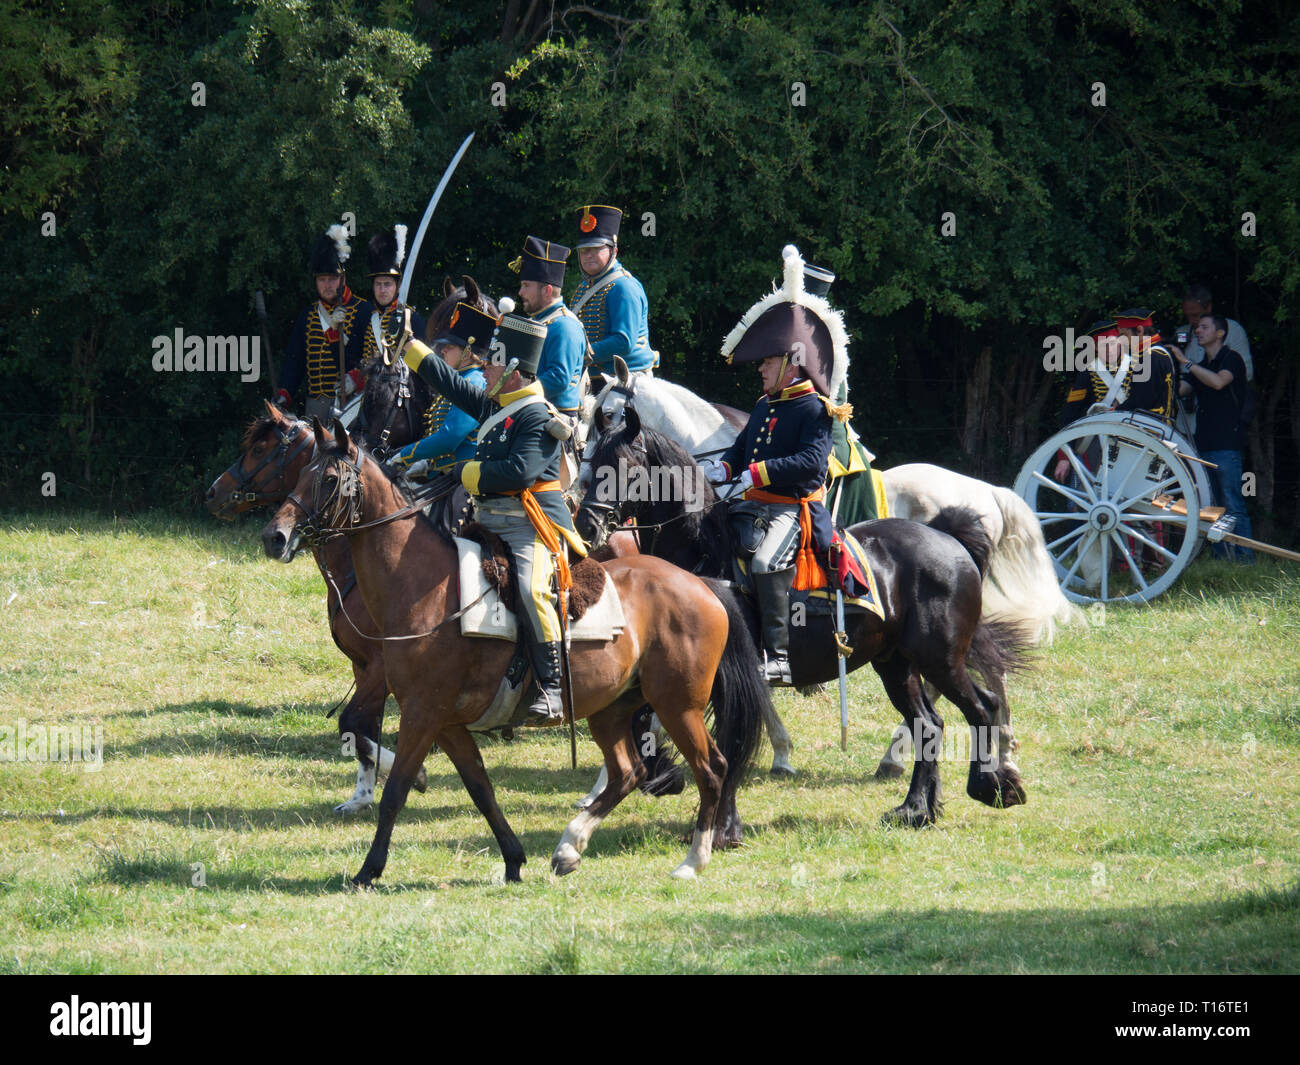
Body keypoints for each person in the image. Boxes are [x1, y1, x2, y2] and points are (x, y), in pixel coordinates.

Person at [401, 311, 587, 720]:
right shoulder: (496, 406)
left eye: (493, 364)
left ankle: (552, 688)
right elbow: (448, 381)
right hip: (487, 518)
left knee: (531, 589)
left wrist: (467, 472)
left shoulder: (539, 416)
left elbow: (519, 472)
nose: (484, 370)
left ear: (514, 373)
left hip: (530, 523)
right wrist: (409, 345)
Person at [704, 249, 850, 684]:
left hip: (791, 507)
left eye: (767, 361)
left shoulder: (815, 408)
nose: (761, 369)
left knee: (767, 564)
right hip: (753, 501)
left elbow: (810, 463)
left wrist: (758, 473)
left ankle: (780, 655)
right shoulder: (765, 404)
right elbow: (741, 448)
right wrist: (725, 470)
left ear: (790, 362)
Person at [1175, 315, 1254, 562]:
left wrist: (1185, 362)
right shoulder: (1201, 364)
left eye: (1204, 327)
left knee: (1232, 502)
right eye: (1197, 327)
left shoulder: (1231, 359)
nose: (1197, 330)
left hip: (1226, 443)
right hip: (1204, 442)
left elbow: (1219, 382)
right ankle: (1221, 557)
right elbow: (1179, 390)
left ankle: (1244, 559)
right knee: (1212, 505)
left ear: (1220, 334)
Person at [386, 301, 494, 475]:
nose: (443, 350)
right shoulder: (459, 379)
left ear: (466, 353)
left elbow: (450, 437)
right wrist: (428, 461)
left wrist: (404, 455)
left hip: (465, 474)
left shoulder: (474, 382)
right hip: (445, 473)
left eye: (450, 347)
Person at [277, 223, 369, 422]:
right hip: (315, 405)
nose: (327, 285)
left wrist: (358, 377)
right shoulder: (308, 316)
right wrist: (284, 394)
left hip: (351, 401)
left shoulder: (363, 311)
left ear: (343, 278)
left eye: (332, 279)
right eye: (322, 279)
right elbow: (295, 361)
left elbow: (373, 357)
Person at [570, 205, 658, 383]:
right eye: (584, 250)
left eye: (596, 249)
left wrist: (578, 354)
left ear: (613, 251)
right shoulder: (583, 288)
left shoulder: (623, 287)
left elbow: (622, 342)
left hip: (624, 380)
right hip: (592, 379)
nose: (589, 255)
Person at [510, 235, 585, 419]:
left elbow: (558, 379)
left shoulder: (564, 326)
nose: (520, 292)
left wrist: (514, 393)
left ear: (547, 290)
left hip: (555, 421)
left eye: (526, 285)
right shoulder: (542, 322)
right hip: (533, 414)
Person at [351, 225, 427, 370]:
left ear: (398, 286)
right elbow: (354, 358)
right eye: (378, 284)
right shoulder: (365, 317)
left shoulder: (412, 318)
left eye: (387, 284)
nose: (382, 290)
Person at [1176, 284, 1253, 381]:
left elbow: (1247, 373)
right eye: (1187, 316)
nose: (1191, 321)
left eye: (1195, 315)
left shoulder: (1233, 329)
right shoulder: (1182, 332)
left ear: (1208, 307)